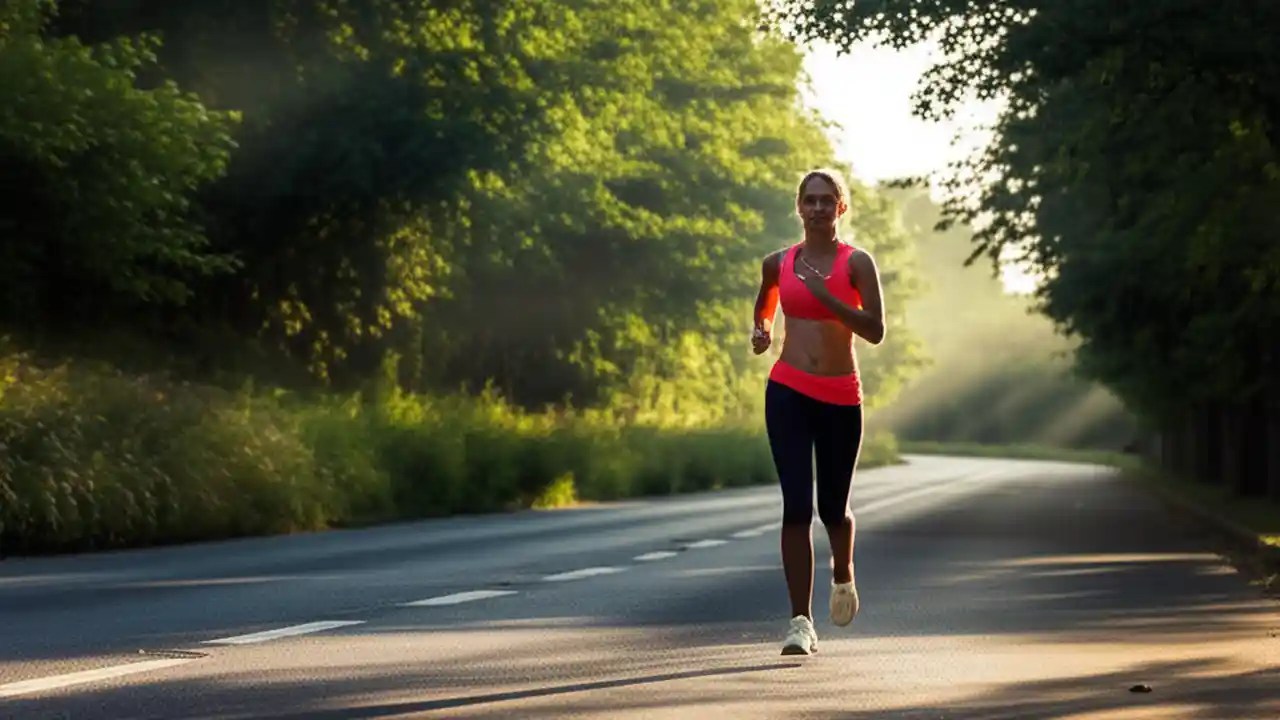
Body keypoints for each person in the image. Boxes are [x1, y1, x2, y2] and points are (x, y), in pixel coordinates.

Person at [751, 168, 885, 656]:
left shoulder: (857, 264)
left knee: (833, 507)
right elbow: (765, 304)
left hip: (840, 395)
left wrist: (827, 296)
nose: (818, 208)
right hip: (787, 389)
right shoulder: (779, 263)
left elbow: (875, 330)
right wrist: (761, 330)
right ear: (799, 207)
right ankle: (800, 621)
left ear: (841, 208)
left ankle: (843, 571)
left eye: (827, 200)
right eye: (810, 200)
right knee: (795, 505)